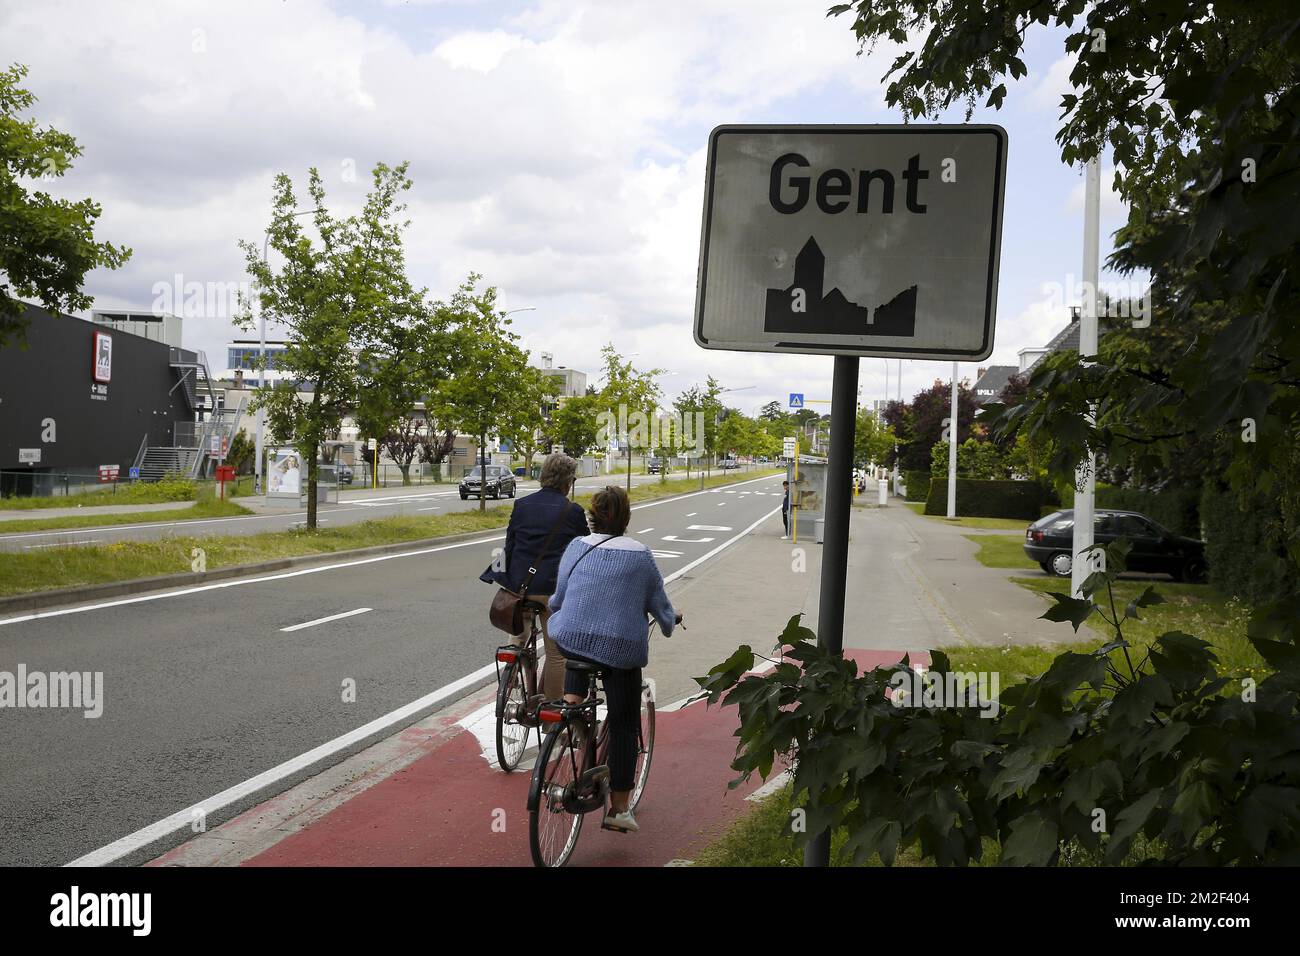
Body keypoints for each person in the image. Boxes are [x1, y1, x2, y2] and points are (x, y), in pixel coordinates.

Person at [547, 485, 680, 834]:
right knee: (623, 725)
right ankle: (619, 810)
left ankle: (572, 713)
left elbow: (559, 598)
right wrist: (670, 621)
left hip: (571, 639)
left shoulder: (576, 547)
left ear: (591, 514)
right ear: (626, 517)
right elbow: (659, 604)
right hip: (619, 648)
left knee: (576, 643)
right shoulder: (640, 555)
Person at [479, 452, 587, 703]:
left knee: (519, 630)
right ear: (568, 481)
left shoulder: (522, 505)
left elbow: (511, 545)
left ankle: (512, 668)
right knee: (556, 654)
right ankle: (551, 716)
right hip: (552, 590)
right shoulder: (573, 511)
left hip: (520, 588)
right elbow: (583, 551)